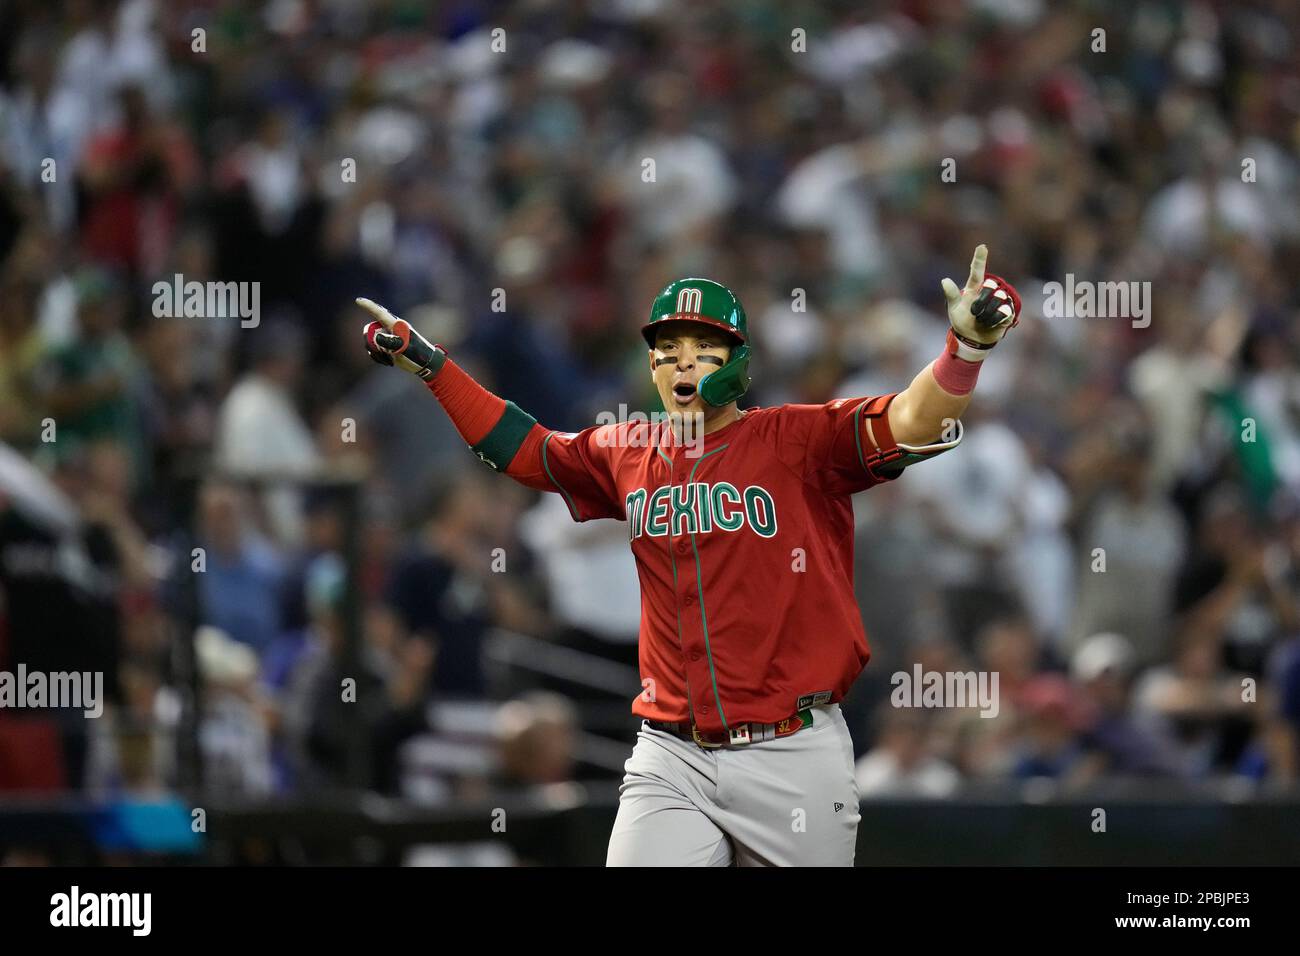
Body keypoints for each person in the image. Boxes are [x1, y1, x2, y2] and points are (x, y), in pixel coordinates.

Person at [355, 244, 1022, 866]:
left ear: (735, 358)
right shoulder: (627, 448)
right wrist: (435, 368)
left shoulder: (797, 439)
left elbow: (912, 419)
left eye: (701, 348)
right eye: (668, 347)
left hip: (791, 747)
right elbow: (525, 450)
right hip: (671, 750)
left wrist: (965, 348)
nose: (681, 361)